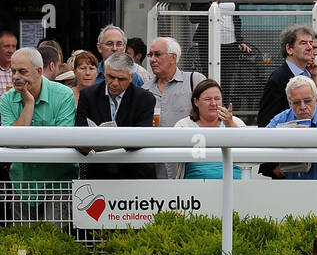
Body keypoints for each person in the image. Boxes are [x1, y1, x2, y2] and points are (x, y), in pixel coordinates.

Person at [1, 47, 77, 214]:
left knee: (55, 238)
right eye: (13, 71)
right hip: (22, 183)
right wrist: (29, 104)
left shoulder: (64, 95)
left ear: (39, 71)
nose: (15, 77)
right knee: (21, 239)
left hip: (58, 183)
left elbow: (63, 141)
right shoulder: (7, 98)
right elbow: (10, 142)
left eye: (22, 71)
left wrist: (25, 145)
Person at [75, 52, 157, 180]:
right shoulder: (88, 95)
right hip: (99, 174)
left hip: (135, 175)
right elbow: (79, 135)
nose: (114, 83)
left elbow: (141, 138)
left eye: (121, 79)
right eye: (110, 77)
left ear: (131, 77)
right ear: (105, 73)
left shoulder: (145, 98)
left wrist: (101, 139)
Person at [260, 75, 317, 180]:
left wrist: (294, 138)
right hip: (293, 188)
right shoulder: (282, 117)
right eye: (296, 102)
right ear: (289, 103)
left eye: (307, 101)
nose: (303, 107)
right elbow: (262, 141)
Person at [145, 37, 207, 177]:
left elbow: (212, 116)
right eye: (150, 55)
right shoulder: (144, 89)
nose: (152, 59)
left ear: (173, 57)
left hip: (191, 162)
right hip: (155, 165)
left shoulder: (195, 80)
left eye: (158, 54)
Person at [190, 0, 252, 78]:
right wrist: (212, 6)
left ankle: (224, 98)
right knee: (210, 77)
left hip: (230, 42)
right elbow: (192, 17)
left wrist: (240, 40)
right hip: (208, 42)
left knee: (227, 79)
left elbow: (236, 18)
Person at [174, 80, 247, 179]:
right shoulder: (183, 125)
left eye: (217, 99)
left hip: (235, 186)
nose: (213, 103)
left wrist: (230, 124)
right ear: (196, 102)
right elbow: (175, 154)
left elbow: (247, 150)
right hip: (195, 188)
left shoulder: (235, 122)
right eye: (208, 99)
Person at [258, 25, 317, 127]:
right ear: (289, 49)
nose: (309, 47)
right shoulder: (278, 78)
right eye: (303, 43)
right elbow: (265, 121)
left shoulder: (310, 73)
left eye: (311, 43)